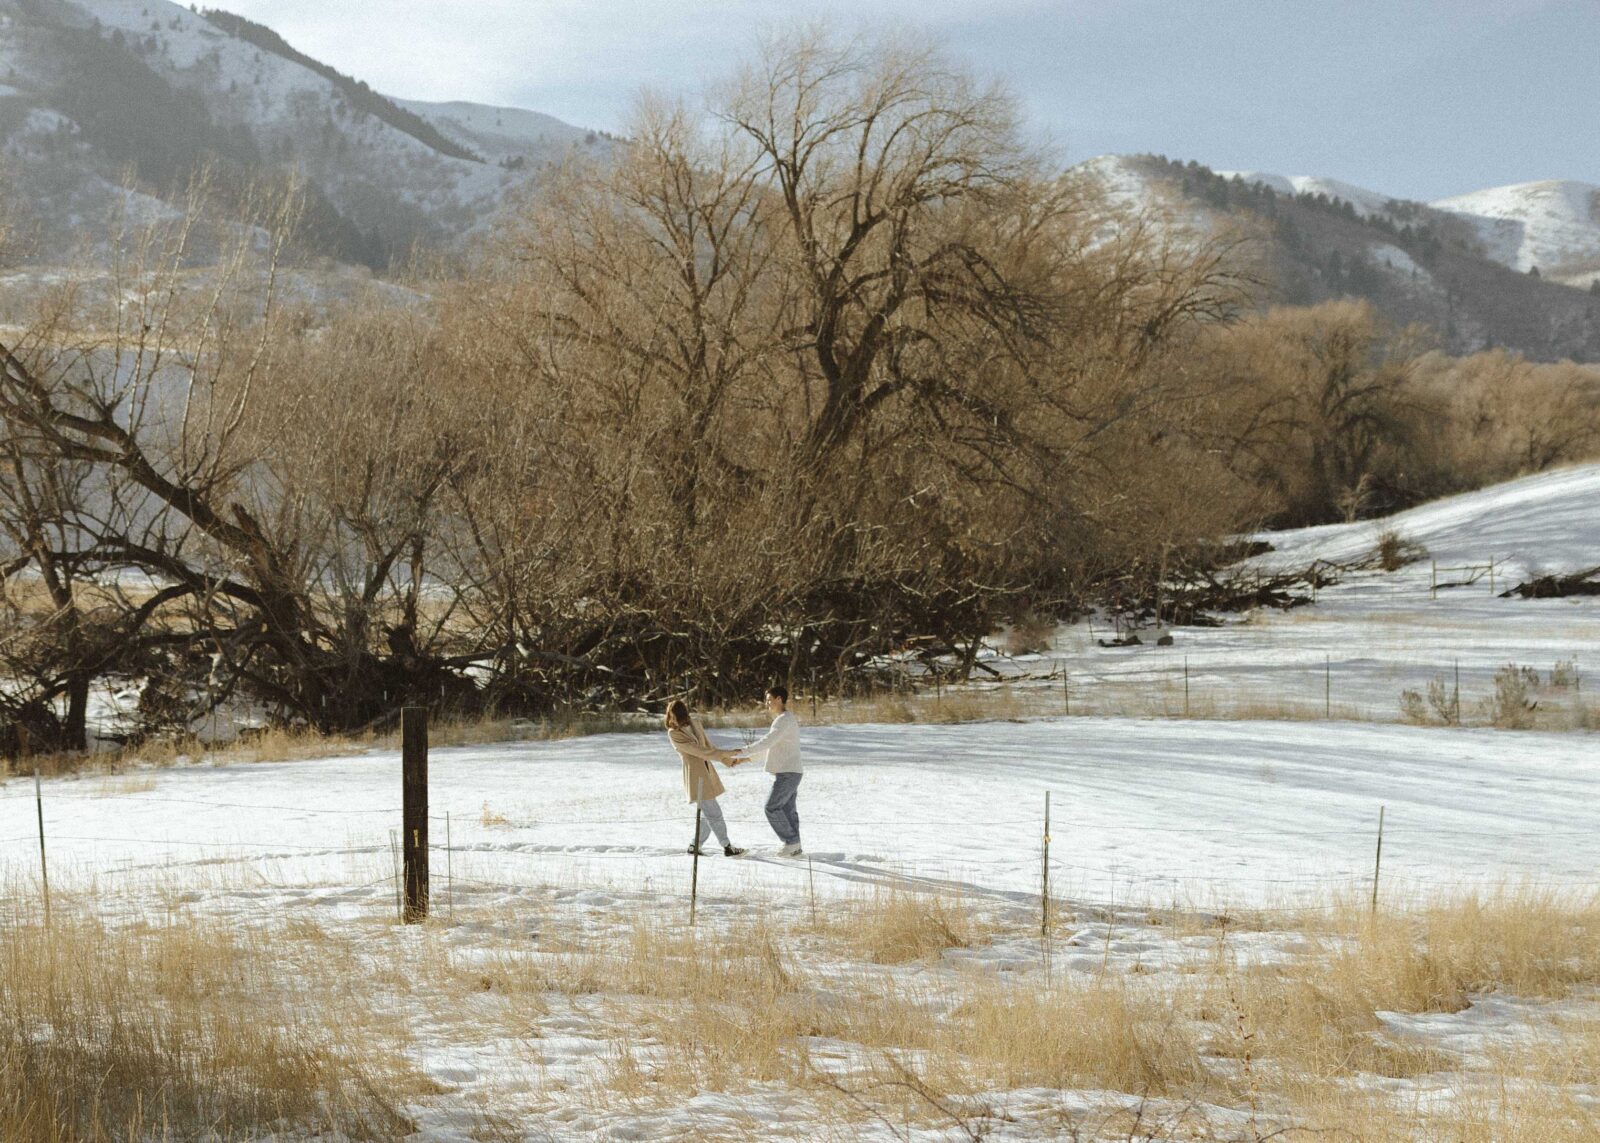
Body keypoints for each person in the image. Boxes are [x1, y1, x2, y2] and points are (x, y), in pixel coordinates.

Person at [664, 699, 747, 857]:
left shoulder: (695, 723)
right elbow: (701, 752)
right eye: (674, 716)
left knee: (707, 815)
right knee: (714, 813)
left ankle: (694, 846)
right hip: (696, 778)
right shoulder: (674, 734)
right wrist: (727, 753)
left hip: (707, 772)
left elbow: (709, 747)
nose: (676, 720)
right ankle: (727, 847)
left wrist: (728, 761)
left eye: (679, 716)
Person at [739, 684, 804, 856]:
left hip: (788, 773)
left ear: (779, 699)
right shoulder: (785, 720)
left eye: (769, 700)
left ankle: (791, 842)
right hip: (790, 771)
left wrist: (742, 751)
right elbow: (771, 748)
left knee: (772, 808)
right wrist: (745, 758)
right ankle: (794, 847)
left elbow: (767, 742)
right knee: (787, 810)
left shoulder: (784, 720)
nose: (767, 704)